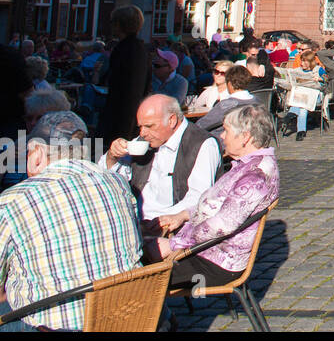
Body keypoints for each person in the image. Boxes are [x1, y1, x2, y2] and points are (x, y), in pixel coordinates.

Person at [0, 112, 141, 332]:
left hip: (52, 327)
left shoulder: (12, 201)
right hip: (127, 318)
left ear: (37, 154)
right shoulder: (117, 183)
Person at [153, 104, 279, 291]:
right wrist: (183, 215)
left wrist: (173, 245)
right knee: (140, 253)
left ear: (245, 137)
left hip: (215, 262)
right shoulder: (246, 165)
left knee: (137, 276)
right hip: (203, 251)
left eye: (226, 131)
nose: (221, 136)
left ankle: (152, 317)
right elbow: (217, 205)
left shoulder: (257, 174)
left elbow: (223, 225)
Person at [102, 94, 220, 234]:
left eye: (149, 126)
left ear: (171, 120)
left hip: (169, 230)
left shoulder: (202, 144)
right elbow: (107, 176)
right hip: (133, 221)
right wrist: (112, 155)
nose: (143, 133)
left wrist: (159, 221)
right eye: (140, 126)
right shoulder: (146, 140)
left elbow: (199, 198)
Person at [102, 5, 152, 144]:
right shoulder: (141, 48)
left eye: (113, 22)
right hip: (132, 115)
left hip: (122, 115)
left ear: (119, 24)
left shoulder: (124, 50)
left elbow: (124, 89)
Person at [196, 65, 256, 137]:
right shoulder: (258, 102)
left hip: (223, 143)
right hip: (250, 139)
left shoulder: (226, 105)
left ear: (229, 84)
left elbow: (201, 125)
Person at [285, 50, 327, 140]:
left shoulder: (318, 69)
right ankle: (301, 131)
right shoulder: (298, 70)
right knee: (303, 108)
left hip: (315, 96)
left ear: (311, 62)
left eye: (305, 61)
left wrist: (320, 79)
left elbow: (327, 80)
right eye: (302, 60)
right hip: (301, 97)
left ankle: (291, 114)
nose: (302, 63)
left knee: (302, 105)